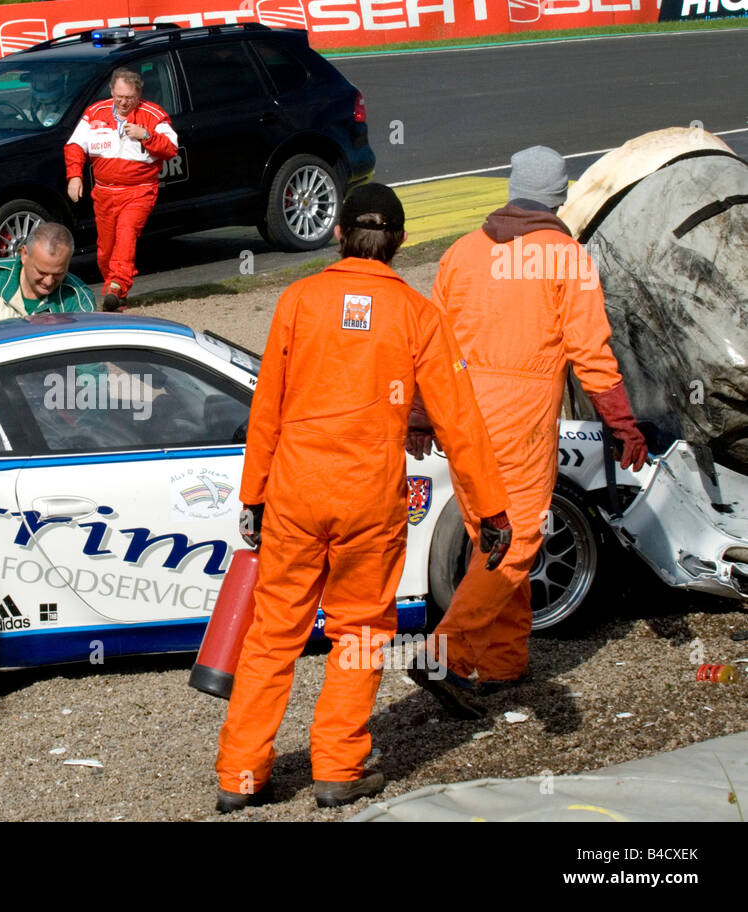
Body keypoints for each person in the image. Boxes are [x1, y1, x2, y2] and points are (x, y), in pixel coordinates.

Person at [214, 184, 512, 813]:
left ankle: (242, 774)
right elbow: (459, 419)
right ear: (399, 242)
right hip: (369, 500)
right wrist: (490, 509)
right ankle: (337, 768)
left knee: (273, 635)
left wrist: (254, 494)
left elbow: (267, 405)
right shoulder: (417, 313)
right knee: (358, 633)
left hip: (296, 492)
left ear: (337, 233)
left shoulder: (298, 300)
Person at [408, 146, 648, 717]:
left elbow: (431, 345)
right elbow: (591, 349)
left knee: (489, 544)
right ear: (559, 197)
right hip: (519, 419)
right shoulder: (565, 256)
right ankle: (445, 650)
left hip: (462, 415)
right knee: (517, 543)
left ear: (511, 189)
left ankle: (500, 663)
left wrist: (420, 413)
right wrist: (619, 421)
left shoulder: (462, 252)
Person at [65, 69, 177, 312]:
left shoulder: (153, 114)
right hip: (104, 192)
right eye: (119, 97)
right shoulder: (95, 112)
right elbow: (74, 145)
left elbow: (170, 149)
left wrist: (146, 135)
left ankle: (115, 288)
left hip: (139, 191)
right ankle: (116, 297)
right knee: (106, 250)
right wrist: (74, 176)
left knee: (126, 236)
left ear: (138, 95)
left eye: (130, 98)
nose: (124, 102)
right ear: (112, 92)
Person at [0, 222, 94, 327]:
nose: (49, 282)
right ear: (24, 254)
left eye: (58, 274)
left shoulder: (78, 300)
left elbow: (89, 365)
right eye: (41, 272)